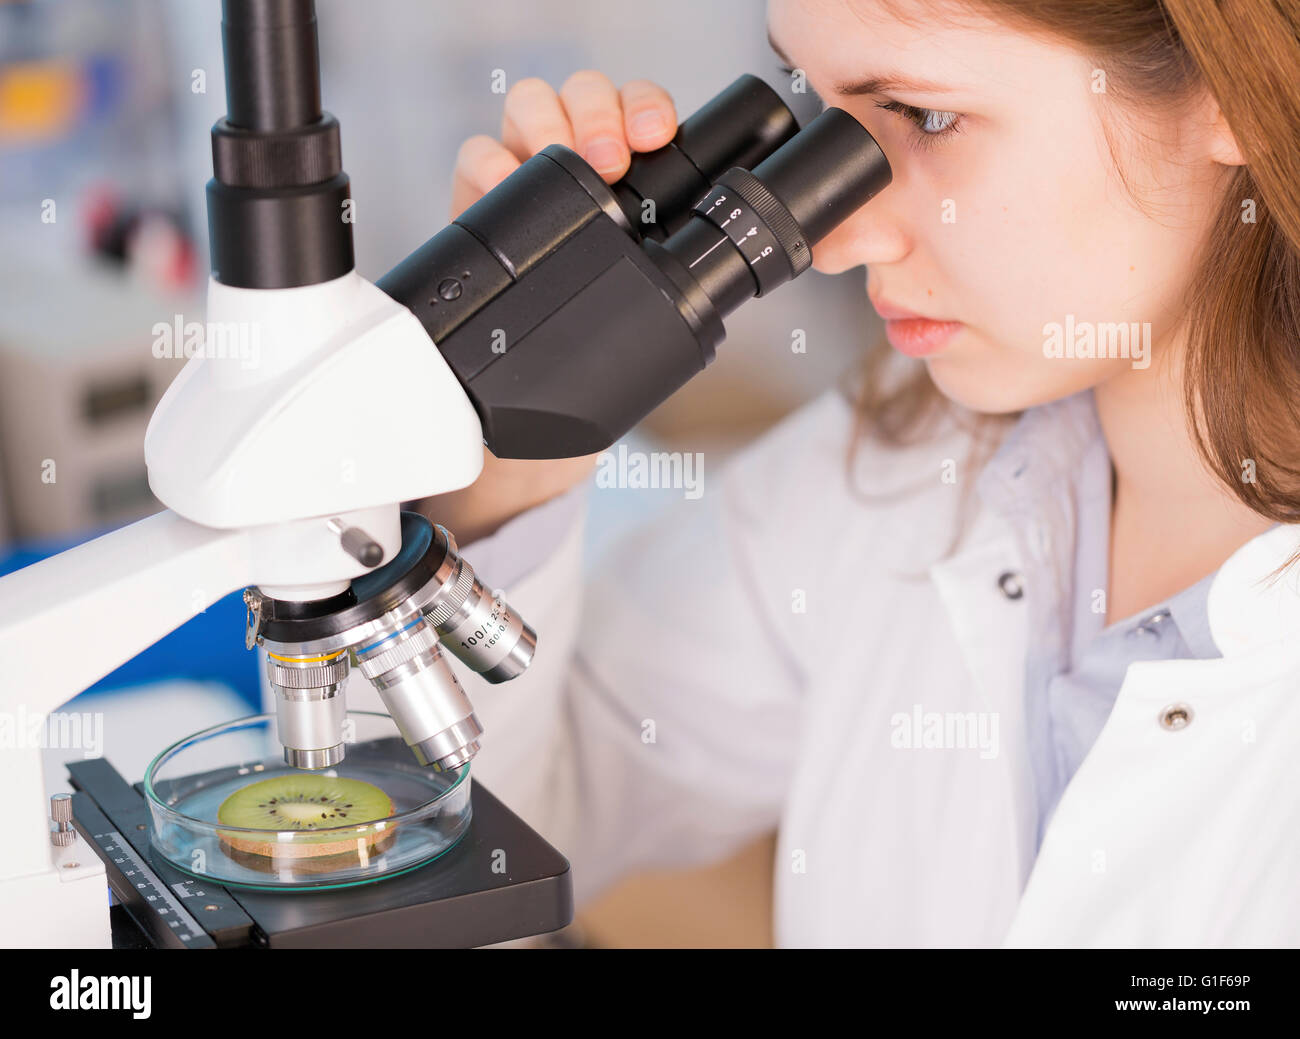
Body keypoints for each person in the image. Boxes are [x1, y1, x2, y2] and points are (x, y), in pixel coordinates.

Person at [348, 0, 1300, 946]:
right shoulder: (893, 468)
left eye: (927, 117)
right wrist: (514, 442)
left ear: (1233, 90)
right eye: (822, 113)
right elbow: (467, 842)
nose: (838, 241)